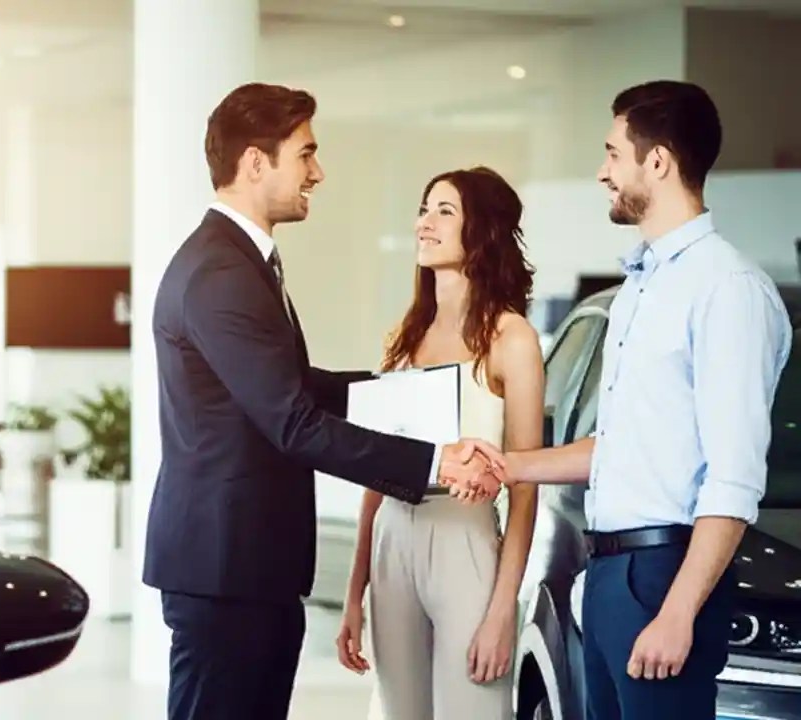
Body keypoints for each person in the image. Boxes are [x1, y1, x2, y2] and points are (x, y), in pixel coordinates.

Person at [142, 82, 504, 720]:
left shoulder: (238, 262)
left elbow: (288, 384)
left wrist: (398, 390)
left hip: (246, 567)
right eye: (305, 154)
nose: (318, 172)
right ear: (256, 162)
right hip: (226, 570)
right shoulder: (222, 271)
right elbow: (293, 422)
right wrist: (433, 461)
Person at [497, 80, 792, 719]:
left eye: (612, 153)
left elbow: (734, 477)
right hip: (609, 575)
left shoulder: (727, 289)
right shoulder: (639, 287)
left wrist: (678, 611)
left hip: (665, 575)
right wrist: (508, 465)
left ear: (657, 161)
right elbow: (621, 446)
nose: (602, 173)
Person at [335, 167, 544, 719]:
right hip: (391, 541)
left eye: (444, 211)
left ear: (483, 232)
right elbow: (375, 472)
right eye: (423, 209)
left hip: (463, 540)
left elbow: (525, 488)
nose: (424, 223)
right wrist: (354, 594)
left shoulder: (511, 338)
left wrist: (502, 612)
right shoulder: (403, 338)